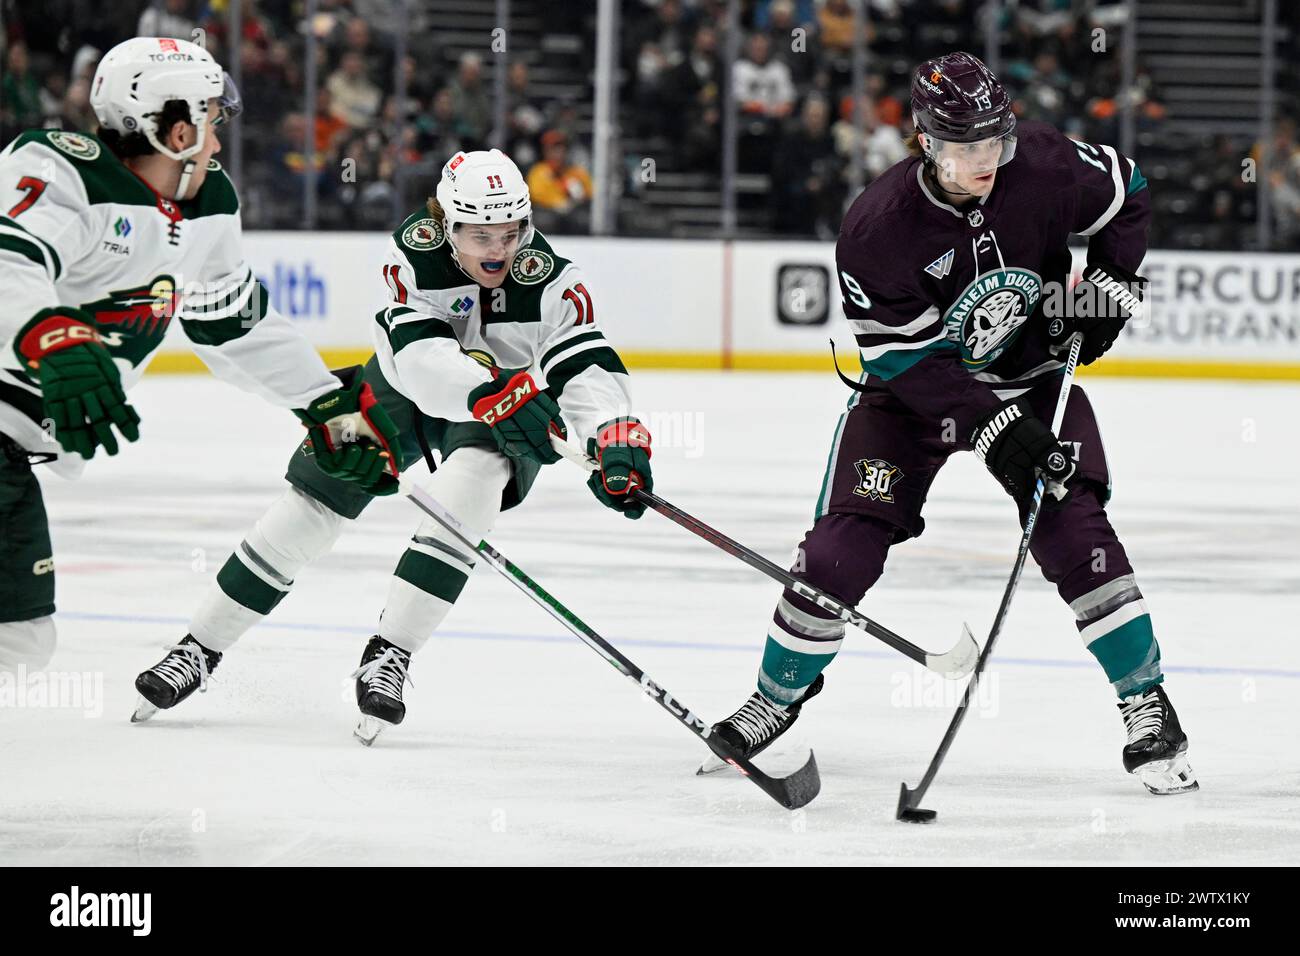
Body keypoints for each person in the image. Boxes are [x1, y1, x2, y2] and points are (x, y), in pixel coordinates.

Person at [708, 52, 1198, 797]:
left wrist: (1105, 296)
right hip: (911, 399)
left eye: (994, 143)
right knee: (843, 549)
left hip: (1032, 378)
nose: (985, 162)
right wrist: (995, 428)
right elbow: (910, 363)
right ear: (925, 141)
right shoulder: (876, 229)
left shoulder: (1044, 163)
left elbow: (1126, 191)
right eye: (965, 147)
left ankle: (1147, 701)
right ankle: (773, 700)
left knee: (1076, 528)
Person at [133, 149, 653, 744]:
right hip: (407, 388)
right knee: (311, 506)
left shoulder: (553, 277)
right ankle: (198, 648)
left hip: (495, 406)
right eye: (479, 234)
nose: (497, 250)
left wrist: (611, 434)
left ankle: (391, 656)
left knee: (473, 490)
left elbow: (582, 360)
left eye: (509, 233)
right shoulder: (414, 248)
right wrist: (494, 394)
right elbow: (423, 359)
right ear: (447, 224)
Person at [0, 37, 399, 673]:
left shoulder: (208, 205)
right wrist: (52, 337)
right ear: (177, 130)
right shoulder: (57, 169)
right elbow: (9, 260)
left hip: (13, 448)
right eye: (210, 122)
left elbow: (233, 325)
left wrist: (326, 404)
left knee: (19, 642)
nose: (216, 141)